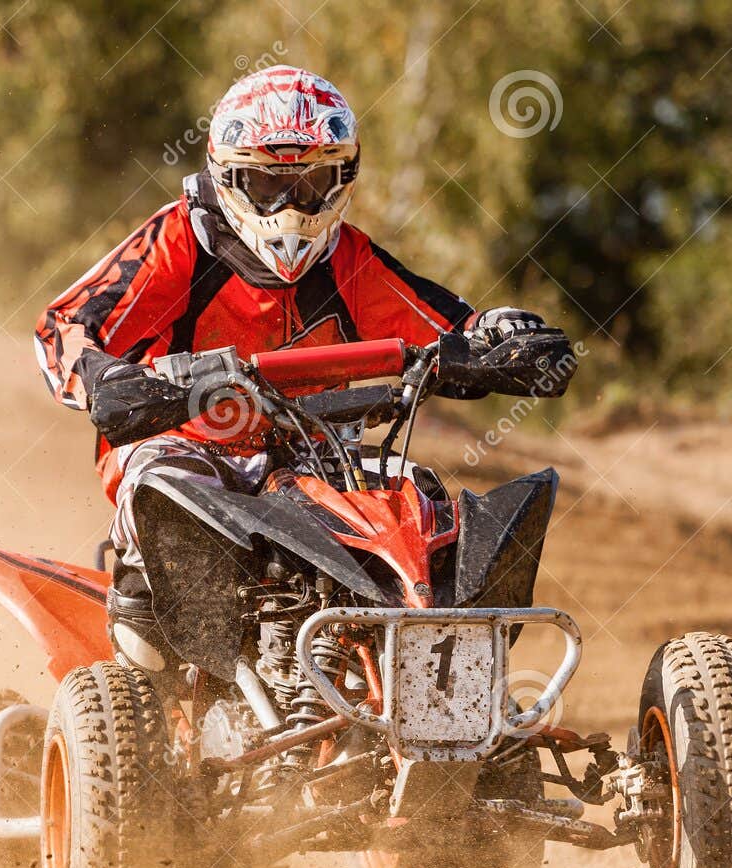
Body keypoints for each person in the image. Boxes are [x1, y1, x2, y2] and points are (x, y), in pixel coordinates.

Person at [34, 65, 560, 656]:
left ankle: (455, 681)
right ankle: (146, 674)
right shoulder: (182, 240)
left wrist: (502, 336)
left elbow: (447, 324)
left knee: (422, 506)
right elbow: (65, 325)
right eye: (268, 186)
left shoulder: (349, 259)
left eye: (311, 185)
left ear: (344, 179)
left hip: (317, 457)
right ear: (229, 178)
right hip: (189, 442)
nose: (290, 208)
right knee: (168, 487)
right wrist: (101, 375)